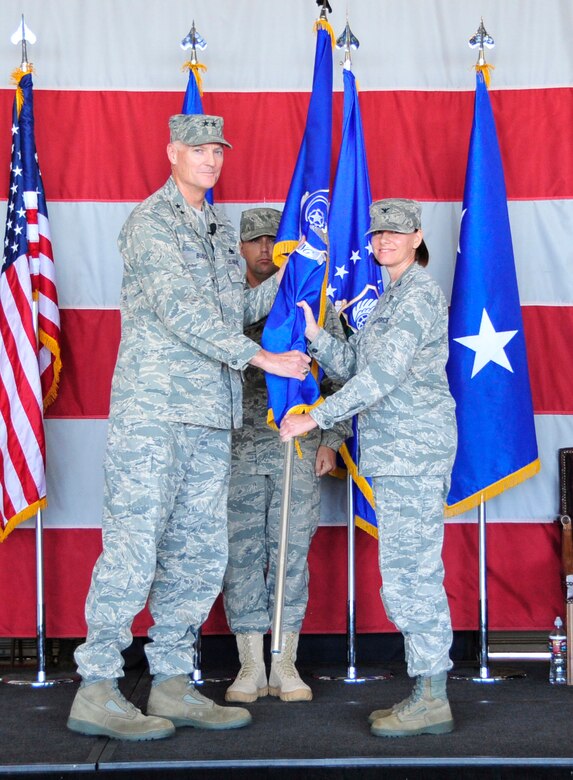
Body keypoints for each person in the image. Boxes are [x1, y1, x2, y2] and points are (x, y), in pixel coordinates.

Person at [67, 114, 311, 742]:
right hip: (154, 416)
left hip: (210, 418)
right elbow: (183, 314)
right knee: (133, 548)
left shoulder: (216, 227)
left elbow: (238, 308)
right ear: (171, 151)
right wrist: (266, 359)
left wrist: (298, 276)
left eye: (217, 150)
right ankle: (97, 687)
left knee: (198, 555)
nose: (210, 159)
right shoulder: (150, 223)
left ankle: (173, 682)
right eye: (198, 149)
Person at [280, 198, 457, 738]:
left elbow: (381, 376)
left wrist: (316, 417)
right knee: (405, 573)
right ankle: (427, 690)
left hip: (414, 453)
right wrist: (316, 337)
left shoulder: (420, 294)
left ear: (417, 237)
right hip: (398, 453)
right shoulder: (390, 298)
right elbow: (358, 363)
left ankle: (432, 696)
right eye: (378, 233)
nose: (384, 241)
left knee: (413, 576)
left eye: (396, 233)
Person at [222, 207, 350, 703]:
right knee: (243, 555)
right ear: (241, 248)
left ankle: (285, 663)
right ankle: (250, 664)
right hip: (240, 453)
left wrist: (332, 441)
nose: (262, 250)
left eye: (272, 242)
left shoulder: (313, 304)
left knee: (291, 555)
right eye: (253, 241)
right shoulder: (228, 309)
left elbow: (342, 375)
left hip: (298, 449)